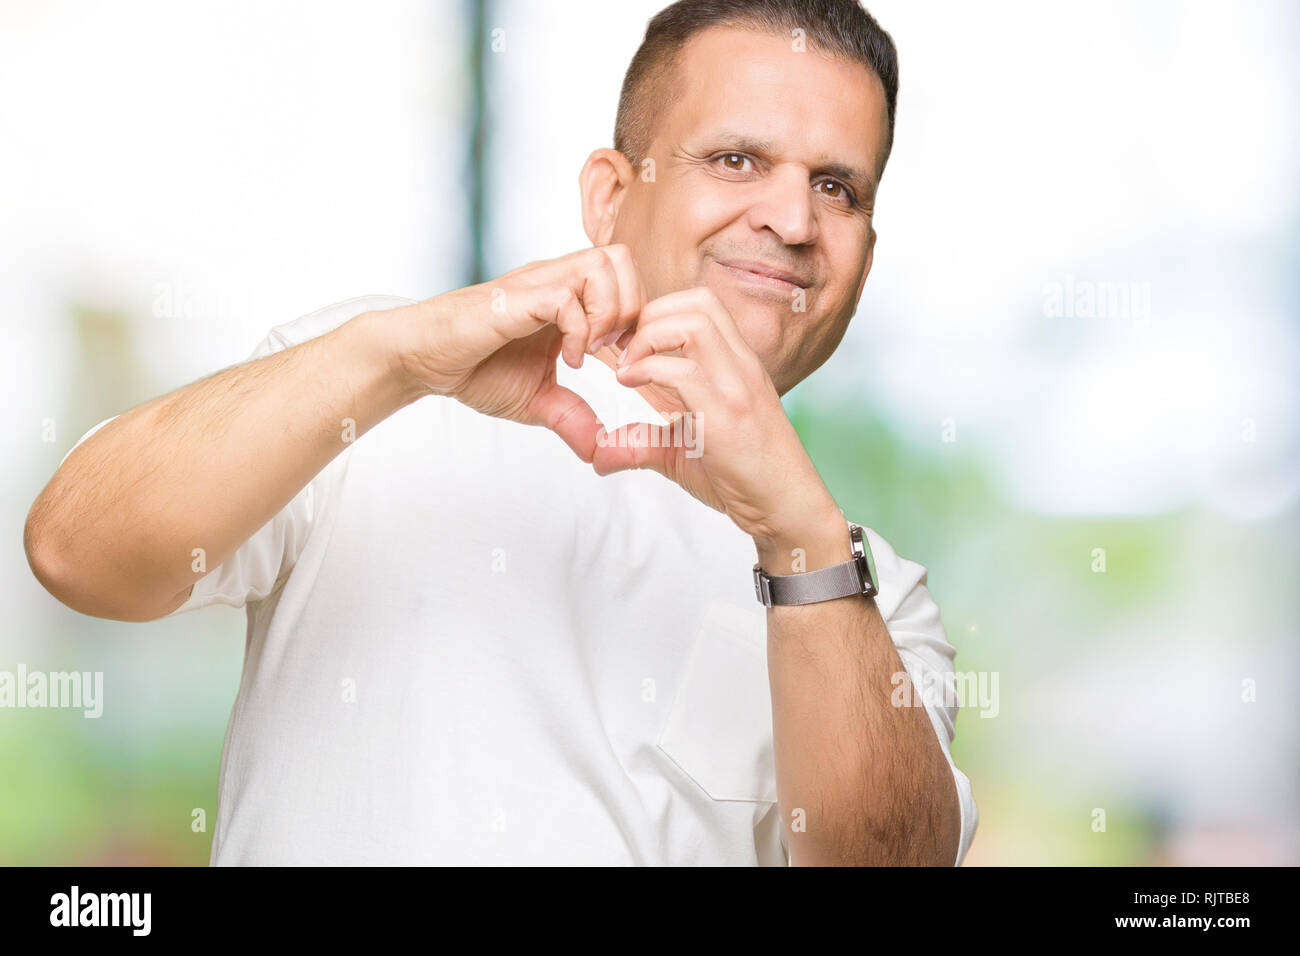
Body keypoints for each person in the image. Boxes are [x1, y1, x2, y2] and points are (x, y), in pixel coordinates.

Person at [25, 0, 977, 865]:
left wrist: (796, 538)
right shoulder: (375, 387)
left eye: (839, 188)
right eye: (737, 160)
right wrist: (394, 362)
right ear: (609, 196)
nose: (792, 218)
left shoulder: (875, 601)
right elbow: (77, 552)